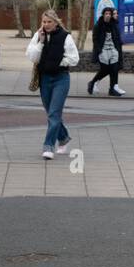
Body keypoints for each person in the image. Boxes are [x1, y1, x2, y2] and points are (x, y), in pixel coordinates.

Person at [26, 9, 80, 159]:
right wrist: (41, 43)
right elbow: (32, 56)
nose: (46, 24)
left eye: (49, 22)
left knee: (54, 113)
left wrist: (59, 63)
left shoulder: (65, 36)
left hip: (61, 78)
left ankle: (48, 146)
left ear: (56, 22)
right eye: (44, 22)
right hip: (44, 78)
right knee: (51, 113)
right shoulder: (38, 36)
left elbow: (74, 58)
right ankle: (63, 138)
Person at [88, 6, 126, 97]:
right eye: (106, 14)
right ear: (103, 15)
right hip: (103, 50)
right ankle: (93, 83)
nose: (108, 15)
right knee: (105, 69)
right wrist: (99, 51)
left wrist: (117, 48)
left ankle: (113, 88)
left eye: (110, 14)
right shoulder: (98, 25)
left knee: (114, 68)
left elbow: (116, 38)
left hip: (113, 50)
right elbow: (95, 39)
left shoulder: (114, 24)